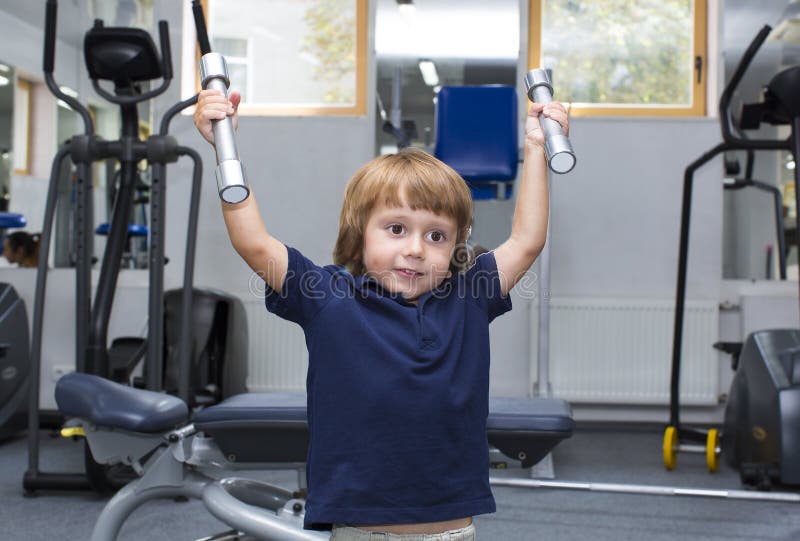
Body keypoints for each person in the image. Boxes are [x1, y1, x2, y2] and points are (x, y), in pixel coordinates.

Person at [194, 87, 568, 540]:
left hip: (454, 533)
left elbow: (527, 240)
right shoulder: (327, 296)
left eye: (436, 236)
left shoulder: (471, 294)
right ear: (360, 234)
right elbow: (254, 243)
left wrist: (535, 146)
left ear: (454, 247)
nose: (415, 248)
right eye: (396, 229)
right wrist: (224, 148)